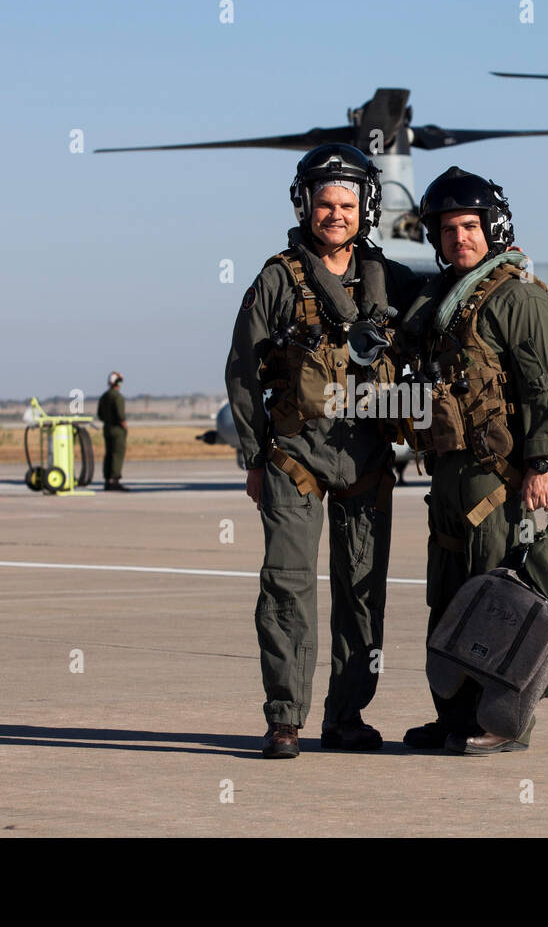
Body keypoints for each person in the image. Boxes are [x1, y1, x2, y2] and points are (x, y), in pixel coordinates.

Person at [225, 144, 422, 759]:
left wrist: (505, 266)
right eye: (324, 203)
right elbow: (242, 371)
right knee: (286, 588)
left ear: (366, 207)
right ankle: (285, 719)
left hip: (366, 460)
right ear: (304, 205)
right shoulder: (278, 278)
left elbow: (448, 314)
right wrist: (256, 457)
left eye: (346, 203)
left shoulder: (392, 279)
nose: (334, 214)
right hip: (295, 461)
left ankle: (347, 717)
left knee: (364, 594)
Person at [399, 167, 548, 756]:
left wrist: (542, 463)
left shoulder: (518, 297)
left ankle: (499, 722)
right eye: (447, 230)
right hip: (448, 476)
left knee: (497, 601)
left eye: (469, 226)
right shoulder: (440, 301)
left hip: (499, 479)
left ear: (492, 229)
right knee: (447, 597)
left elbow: (546, 385)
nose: (458, 239)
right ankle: (453, 717)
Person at [97, 372, 129, 491]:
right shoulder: (117, 397)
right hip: (117, 430)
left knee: (109, 454)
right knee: (117, 454)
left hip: (107, 428)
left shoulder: (104, 396)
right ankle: (115, 480)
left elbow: (100, 414)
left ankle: (107, 480)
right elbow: (121, 414)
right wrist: (123, 424)